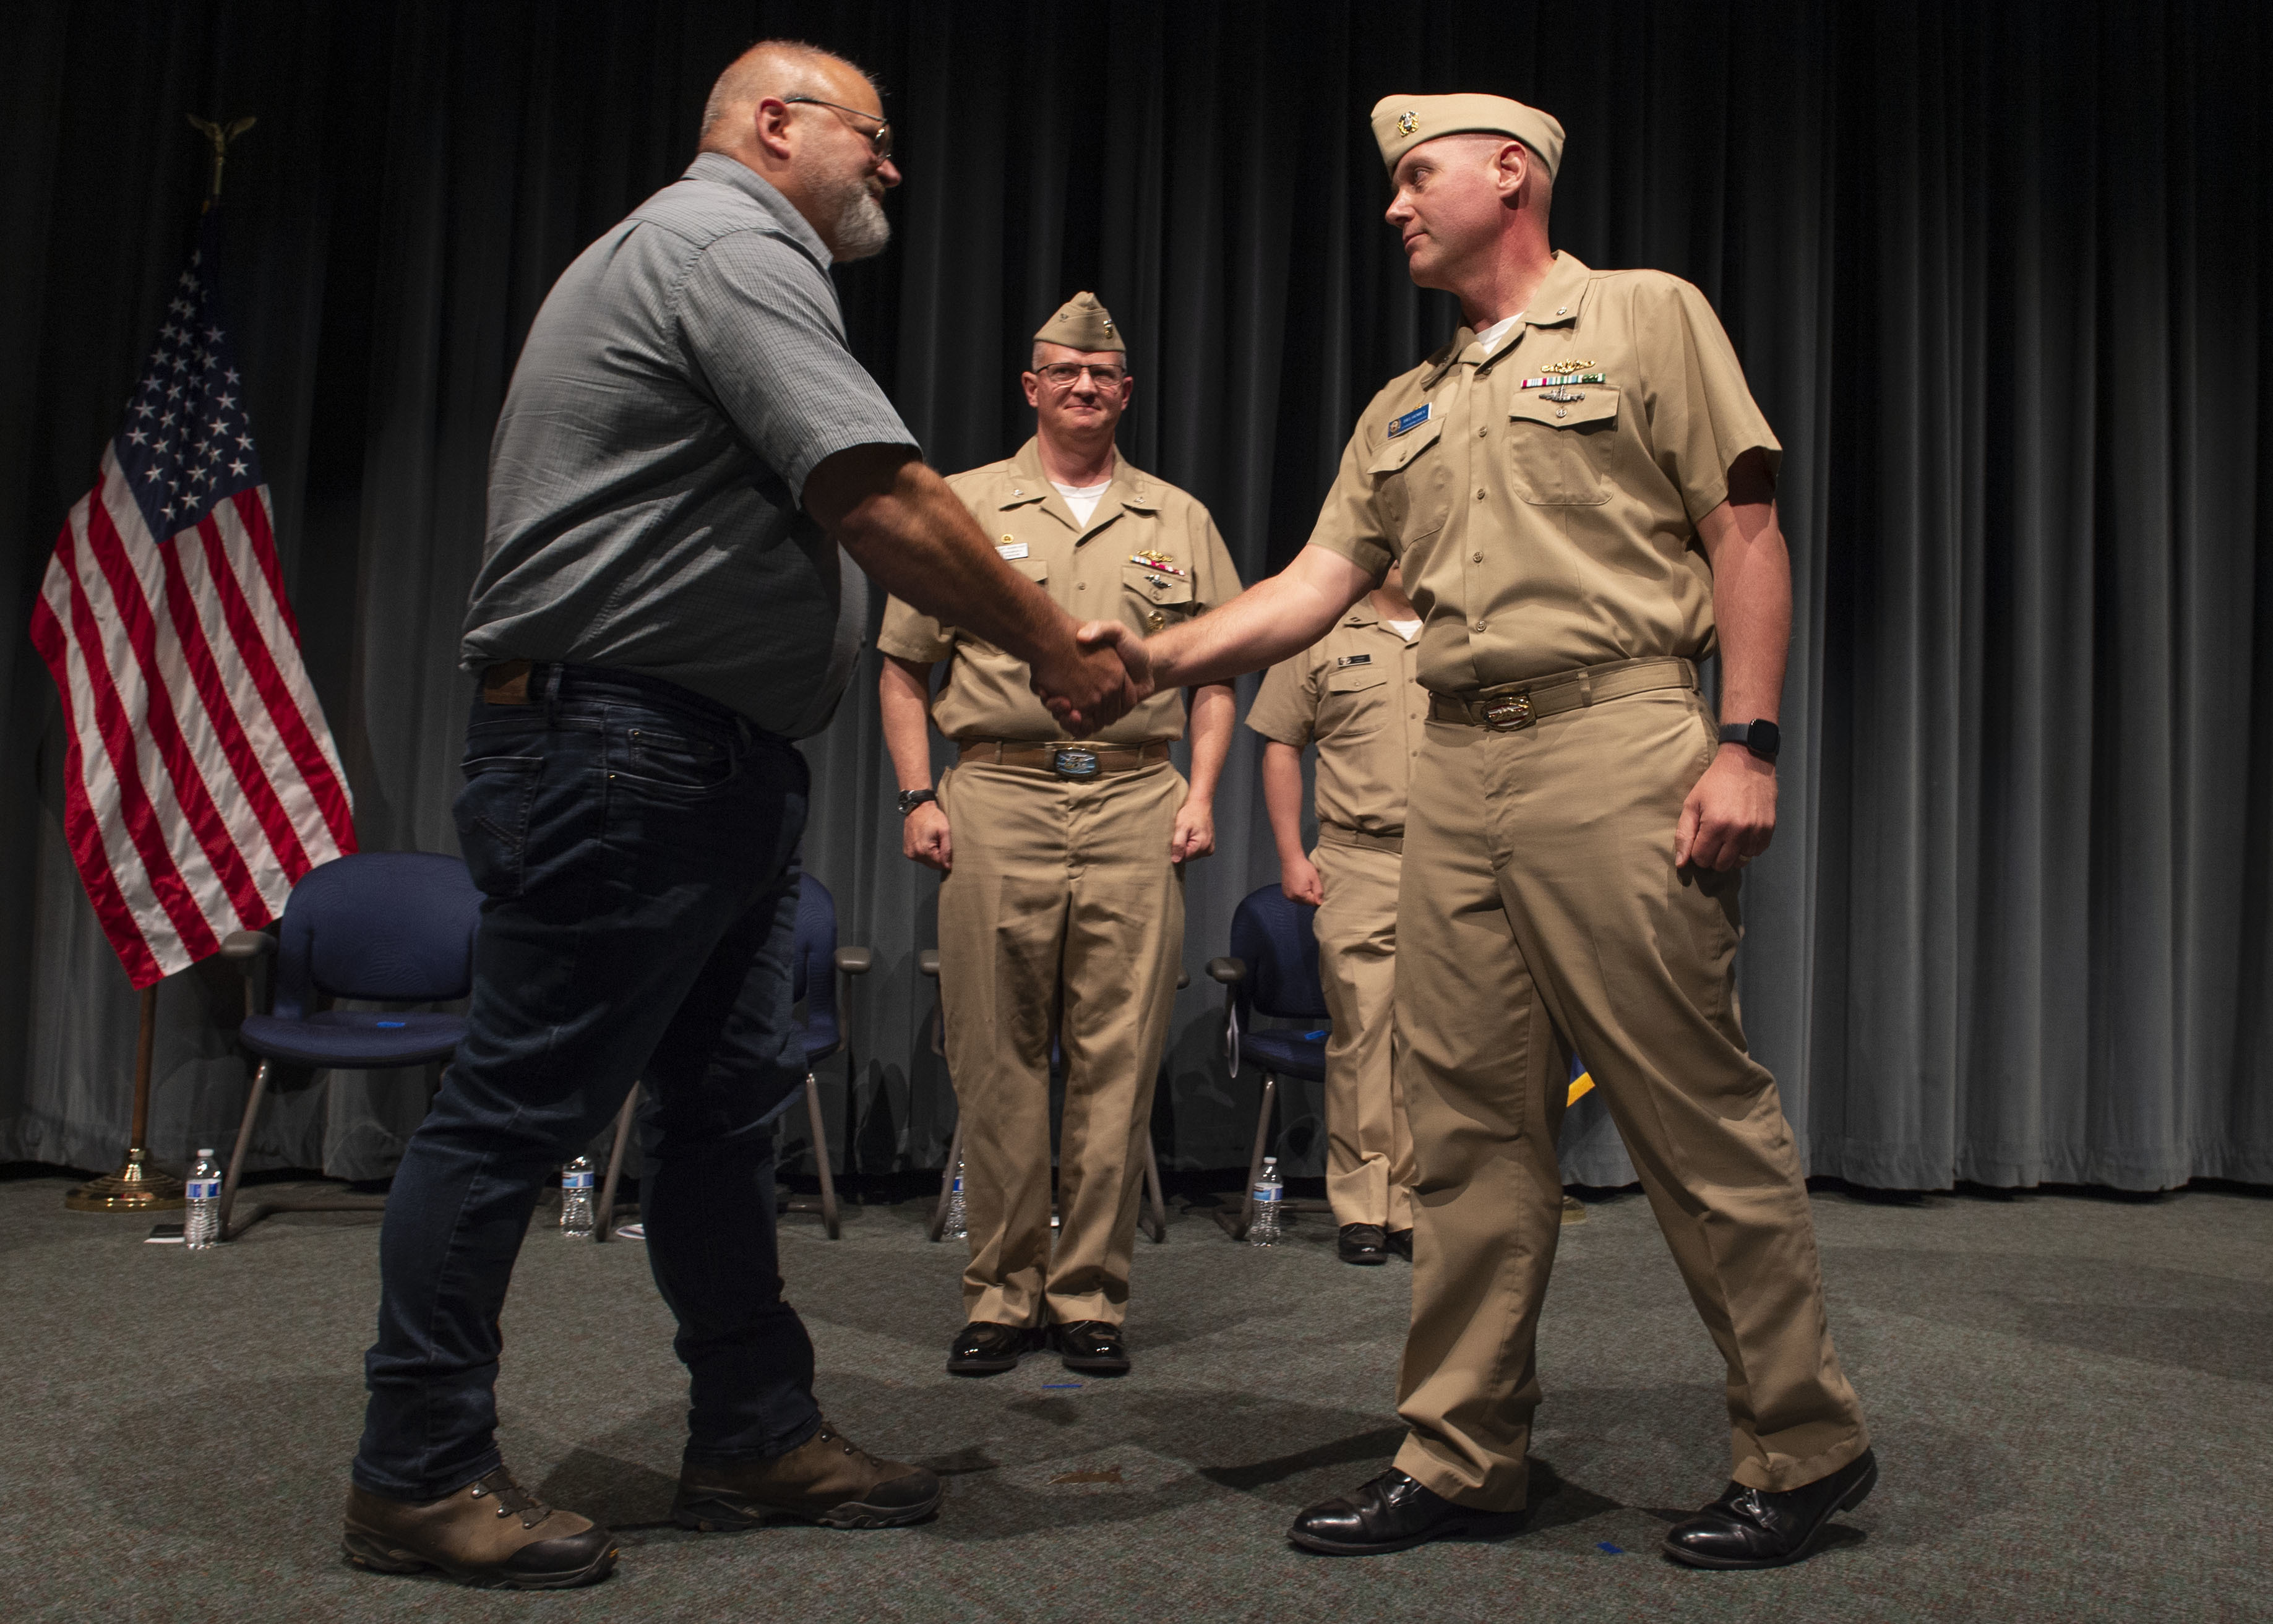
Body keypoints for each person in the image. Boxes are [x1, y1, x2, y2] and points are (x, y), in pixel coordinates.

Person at [341, 42, 1133, 1591]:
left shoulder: (703, 250)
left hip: (693, 759)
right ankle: (414, 1471)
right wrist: (1047, 640)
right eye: (871, 137)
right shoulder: (724, 243)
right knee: (510, 1116)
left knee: (720, 1118)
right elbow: (876, 492)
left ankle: (752, 1433)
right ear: (775, 126)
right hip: (624, 750)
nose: (889, 167)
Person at [1083, 93, 1875, 1569]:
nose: (1390, 205)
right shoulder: (1399, 407)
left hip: (1615, 738)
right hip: (1450, 770)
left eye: (1412, 176)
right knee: (1457, 1133)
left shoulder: (1643, 317)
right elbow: (1313, 584)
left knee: (1687, 1110)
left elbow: (1741, 533)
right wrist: (1159, 656)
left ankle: (1801, 1442)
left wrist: (1744, 742)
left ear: (1507, 174)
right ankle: (1457, 1451)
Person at [877, 293, 1241, 1381]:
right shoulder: (960, 506)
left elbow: (1218, 677)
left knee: (1115, 1065)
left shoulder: (1177, 520)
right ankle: (1000, 1290)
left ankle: (1088, 1296)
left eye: (1102, 376)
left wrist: (1201, 793)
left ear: (1125, 393)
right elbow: (903, 666)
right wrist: (915, 797)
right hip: (996, 795)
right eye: (1062, 373)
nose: (1083, 389)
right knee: (992, 1058)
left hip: (1134, 798)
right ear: (1030, 387)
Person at [1245, 564, 1424, 1266]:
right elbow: (1281, 743)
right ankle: (1361, 1207)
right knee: (1360, 1034)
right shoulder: (1320, 632)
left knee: (1430, 1039)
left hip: (1454, 860)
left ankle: (1410, 1204)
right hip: (1358, 858)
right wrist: (1291, 853)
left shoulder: (1467, 627)